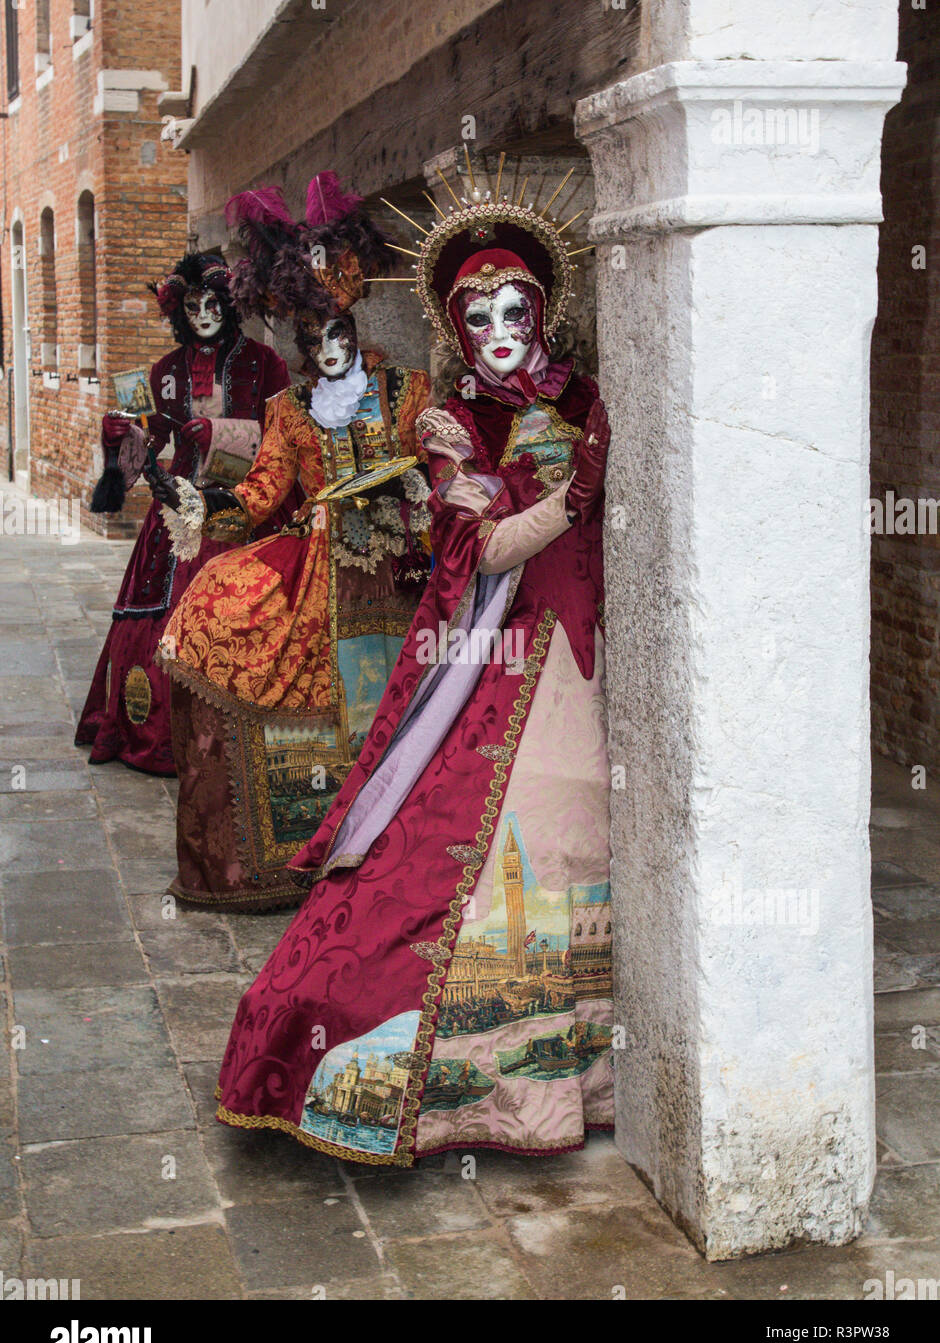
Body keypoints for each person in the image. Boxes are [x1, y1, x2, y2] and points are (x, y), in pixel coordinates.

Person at [215, 161, 614, 1164]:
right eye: (473, 314)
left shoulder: (588, 400)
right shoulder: (447, 425)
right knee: (483, 863)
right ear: (452, 323)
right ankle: (480, 1093)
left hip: (585, 660)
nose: (496, 328)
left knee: (571, 856)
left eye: (513, 305)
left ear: (545, 304)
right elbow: (477, 549)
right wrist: (567, 499)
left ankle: (574, 1081)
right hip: (497, 665)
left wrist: (583, 471)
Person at [150, 176, 432, 910]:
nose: (324, 349)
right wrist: (207, 504)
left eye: (334, 334)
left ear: (353, 324)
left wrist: (425, 491)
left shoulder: (411, 393)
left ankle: (393, 853)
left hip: (404, 571)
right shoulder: (290, 410)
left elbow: (444, 472)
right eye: (310, 339)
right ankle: (284, 860)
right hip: (317, 569)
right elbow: (263, 492)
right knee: (212, 611)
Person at [75, 250, 300, 774]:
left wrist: (224, 435)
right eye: (192, 305)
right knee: (160, 605)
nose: (203, 314)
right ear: (179, 312)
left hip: (247, 505)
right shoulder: (164, 370)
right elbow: (152, 442)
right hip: (176, 508)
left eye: (212, 302)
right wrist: (120, 438)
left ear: (228, 303)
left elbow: (286, 436)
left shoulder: (266, 363)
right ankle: (157, 732)